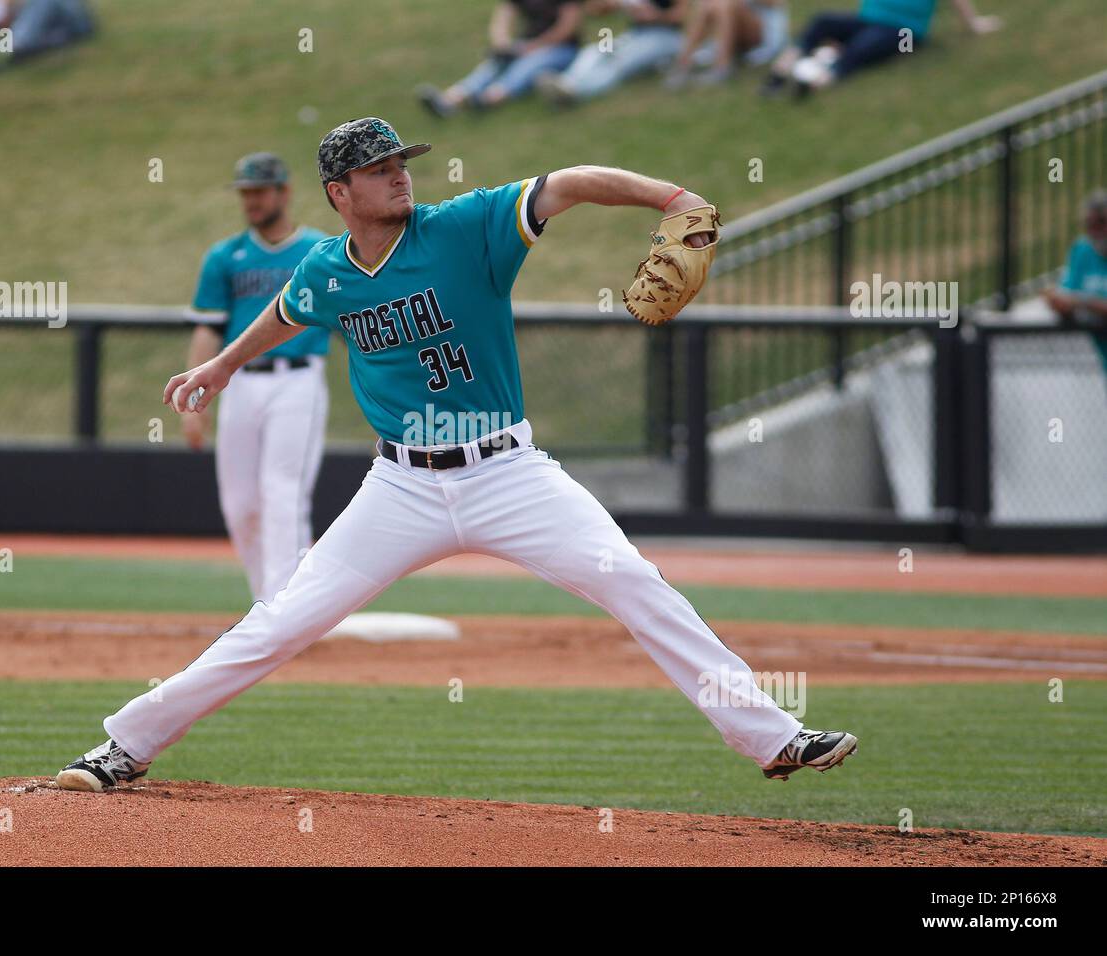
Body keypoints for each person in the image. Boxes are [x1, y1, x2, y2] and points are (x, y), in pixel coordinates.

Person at [55, 116, 858, 793]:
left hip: (509, 472)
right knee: (280, 621)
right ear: (340, 194)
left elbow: (570, 181)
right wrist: (224, 364)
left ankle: (773, 737)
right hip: (398, 487)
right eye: (377, 168)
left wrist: (673, 199)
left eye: (401, 161)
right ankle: (125, 746)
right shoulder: (329, 268)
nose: (398, 175)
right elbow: (292, 307)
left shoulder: (466, 227)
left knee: (632, 582)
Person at [184, 153, 331, 605]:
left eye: (260, 191)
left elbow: (357, 331)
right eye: (245, 192)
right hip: (240, 383)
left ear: (284, 192)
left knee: (282, 495)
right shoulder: (226, 256)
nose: (251, 200)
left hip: (298, 379)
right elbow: (209, 327)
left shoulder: (320, 251)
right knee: (241, 504)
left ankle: (283, 609)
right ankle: (267, 604)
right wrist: (194, 403)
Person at [759, 0, 1001, 97]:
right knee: (822, 22)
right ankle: (780, 73)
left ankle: (814, 82)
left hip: (903, 30)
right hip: (868, 19)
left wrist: (973, 24)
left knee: (861, 48)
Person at [415, 1, 583, 117]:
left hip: (562, 48)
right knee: (493, 65)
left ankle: (489, 99)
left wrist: (531, 48)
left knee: (527, 66)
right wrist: (502, 44)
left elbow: (567, 27)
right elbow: (502, 18)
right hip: (525, 45)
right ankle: (450, 100)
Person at [536, 0, 690, 106]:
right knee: (595, 51)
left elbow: (683, 14)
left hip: (667, 36)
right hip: (636, 35)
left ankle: (577, 91)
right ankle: (566, 81)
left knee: (618, 62)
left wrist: (656, 16)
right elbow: (594, 11)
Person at [1043, 190, 1107, 376]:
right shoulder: (1082, 250)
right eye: (1089, 225)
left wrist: (1081, 302)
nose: (1095, 231)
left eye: (1101, 223)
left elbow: (1075, 299)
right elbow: (1066, 295)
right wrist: (1057, 301)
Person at [664, 0, 788, 89]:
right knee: (708, 4)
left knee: (725, 3)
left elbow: (774, 3)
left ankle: (722, 67)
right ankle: (683, 64)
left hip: (764, 32)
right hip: (738, 30)